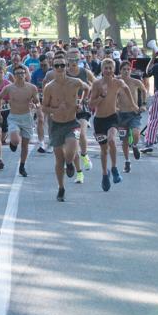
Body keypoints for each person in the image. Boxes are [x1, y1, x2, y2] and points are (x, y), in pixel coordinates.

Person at [42, 55, 90, 202]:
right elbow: (44, 108)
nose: (60, 68)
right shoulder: (49, 87)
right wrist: (56, 110)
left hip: (72, 123)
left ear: (67, 66)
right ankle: (61, 188)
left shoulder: (75, 82)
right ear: (53, 68)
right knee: (59, 159)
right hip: (56, 125)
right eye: (57, 66)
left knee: (71, 151)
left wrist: (81, 102)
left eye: (62, 65)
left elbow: (87, 88)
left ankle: (70, 164)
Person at [89, 59, 136, 191]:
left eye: (110, 68)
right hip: (99, 120)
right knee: (104, 150)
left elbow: (126, 89)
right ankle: (105, 174)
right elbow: (91, 104)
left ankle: (114, 168)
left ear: (114, 69)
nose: (108, 70)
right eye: (106, 68)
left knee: (111, 140)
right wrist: (102, 96)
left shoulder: (117, 82)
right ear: (102, 69)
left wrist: (133, 104)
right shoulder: (97, 84)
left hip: (112, 118)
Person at [0, 64, 39, 177]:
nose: (20, 75)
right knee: (16, 140)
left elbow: (37, 101)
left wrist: (36, 105)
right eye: (18, 73)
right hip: (14, 117)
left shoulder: (32, 88)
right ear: (14, 75)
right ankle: (13, 142)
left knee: (25, 144)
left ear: (25, 74)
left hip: (27, 118)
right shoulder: (9, 88)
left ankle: (22, 166)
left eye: (22, 73)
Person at [66, 48, 95, 183]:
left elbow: (95, 83)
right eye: (71, 59)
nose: (74, 62)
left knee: (82, 133)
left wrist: (88, 97)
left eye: (76, 60)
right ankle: (79, 173)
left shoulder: (84, 72)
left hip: (82, 107)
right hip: (68, 109)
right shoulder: (64, 73)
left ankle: (84, 155)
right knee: (73, 141)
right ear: (67, 59)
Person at [117, 62, 146, 172]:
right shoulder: (116, 82)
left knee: (135, 133)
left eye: (128, 69)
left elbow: (144, 90)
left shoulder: (135, 82)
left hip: (134, 114)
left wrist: (143, 104)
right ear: (120, 70)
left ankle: (134, 145)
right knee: (124, 141)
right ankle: (127, 161)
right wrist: (114, 107)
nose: (126, 71)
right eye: (124, 69)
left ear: (131, 70)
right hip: (121, 115)